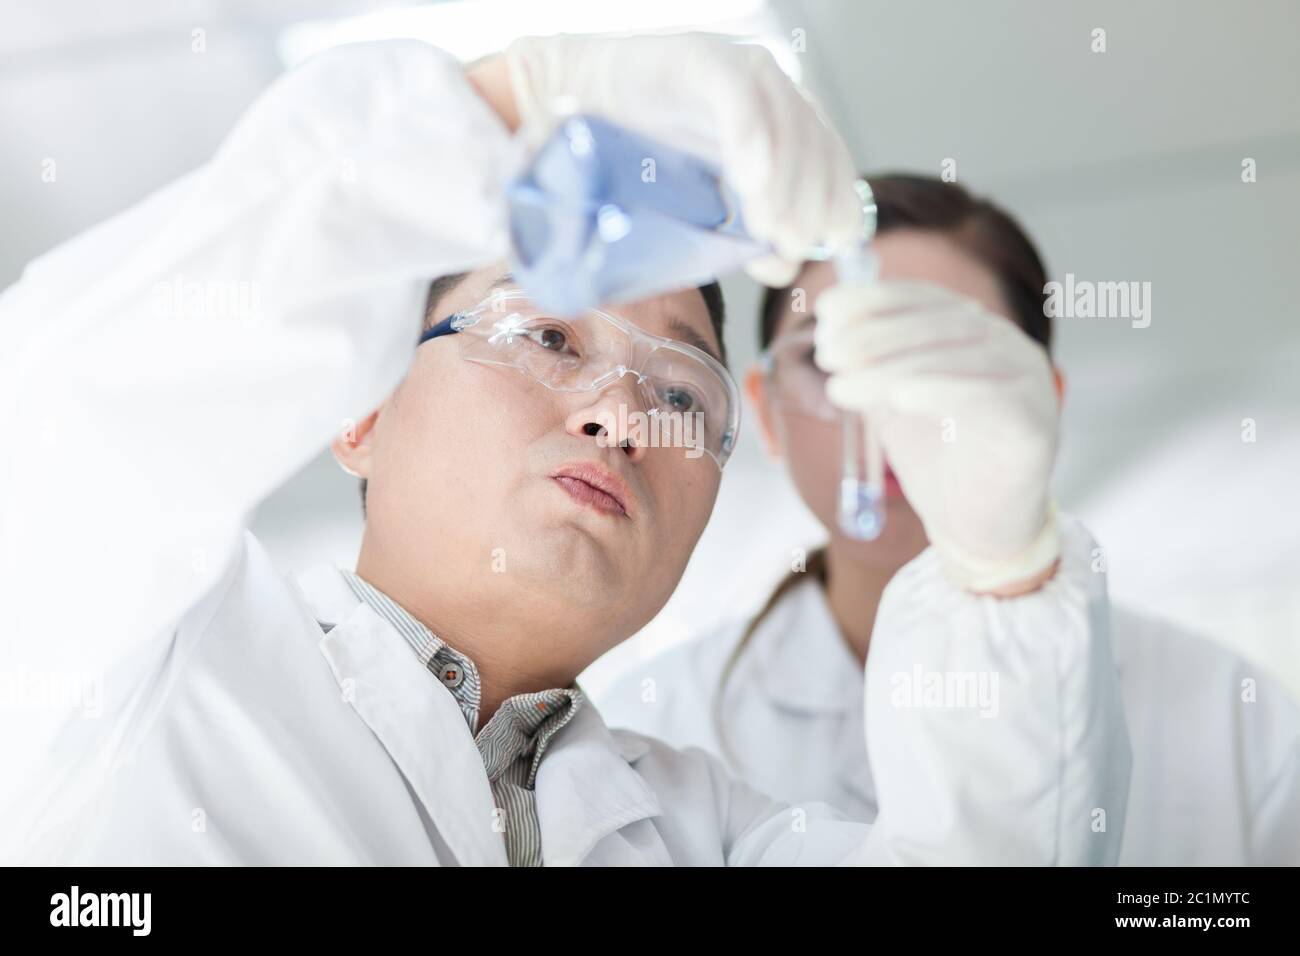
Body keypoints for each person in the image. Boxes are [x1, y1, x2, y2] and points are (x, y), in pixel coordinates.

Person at [0, 36, 1126, 866]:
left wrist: (1005, 572)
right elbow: (60, 418)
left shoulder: (705, 834)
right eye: (543, 335)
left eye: (681, 386)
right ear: (361, 411)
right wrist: (495, 113)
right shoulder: (143, 659)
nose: (623, 414)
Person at [596, 174, 1300, 866]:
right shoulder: (648, 723)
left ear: (1040, 405)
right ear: (769, 412)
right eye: (827, 355)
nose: (886, 406)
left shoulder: (1237, 719)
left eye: (943, 356)